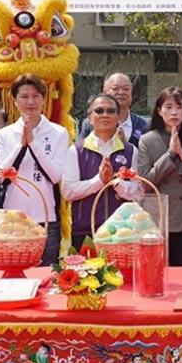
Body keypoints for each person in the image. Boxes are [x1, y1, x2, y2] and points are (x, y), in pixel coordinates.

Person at [0, 74, 71, 265]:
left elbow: (54, 176)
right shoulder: (4, 134)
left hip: (46, 217)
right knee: (13, 273)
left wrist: (33, 144)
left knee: (46, 276)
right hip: (12, 218)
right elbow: (1, 176)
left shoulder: (58, 132)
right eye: (24, 96)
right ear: (15, 100)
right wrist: (21, 145)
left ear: (43, 99)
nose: (30, 102)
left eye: (36, 96)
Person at [137, 87, 182, 265]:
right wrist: (169, 154)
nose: (174, 112)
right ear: (159, 111)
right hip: (158, 222)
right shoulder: (147, 140)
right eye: (168, 107)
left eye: (179, 107)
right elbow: (145, 183)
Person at [62, 94, 142, 250]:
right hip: (85, 230)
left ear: (118, 117)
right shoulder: (76, 151)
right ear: (90, 118)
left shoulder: (130, 150)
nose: (105, 115)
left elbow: (139, 192)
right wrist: (99, 181)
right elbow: (68, 191)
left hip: (122, 231)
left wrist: (116, 183)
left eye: (111, 111)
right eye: (99, 111)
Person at [77, 73, 149, 145]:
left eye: (126, 89)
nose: (121, 92)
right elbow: (81, 151)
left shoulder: (143, 125)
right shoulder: (91, 123)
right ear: (105, 92)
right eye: (115, 89)